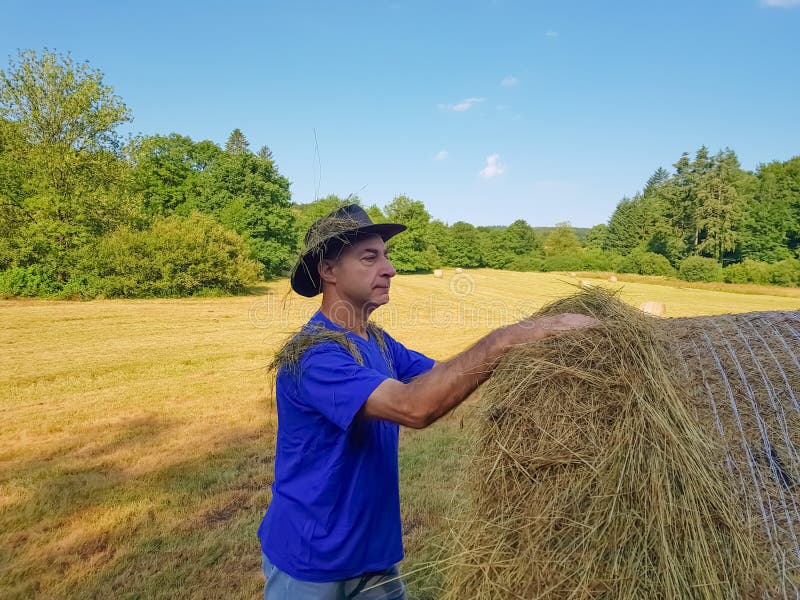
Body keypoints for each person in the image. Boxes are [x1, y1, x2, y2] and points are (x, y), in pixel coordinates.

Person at [258, 204, 597, 599]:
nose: (389, 269)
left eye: (386, 256)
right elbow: (412, 407)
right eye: (370, 257)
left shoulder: (378, 342)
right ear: (329, 271)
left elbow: (448, 378)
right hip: (312, 562)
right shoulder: (314, 355)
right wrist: (506, 337)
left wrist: (551, 363)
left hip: (372, 554)